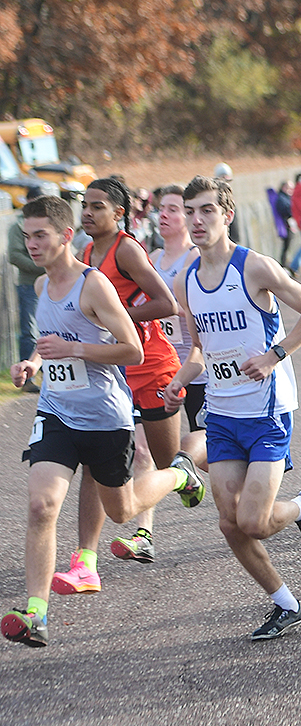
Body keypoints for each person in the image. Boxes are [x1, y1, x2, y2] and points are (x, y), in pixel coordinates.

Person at [4, 196, 205, 647]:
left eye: (40, 235)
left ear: (65, 236)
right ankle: (35, 612)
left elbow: (132, 349)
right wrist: (33, 363)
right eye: (27, 236)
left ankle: (179, 474)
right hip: (57, 412)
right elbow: (51, 339)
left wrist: (75, 350)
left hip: (105, 417)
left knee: (123, 510)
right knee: (41, 505)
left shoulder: (93, 285)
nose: (32, 244)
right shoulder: (41, 285)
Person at [161, 175, 301, 640]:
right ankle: (285, 603)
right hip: (221, 414)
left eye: (207, 211)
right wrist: (180, 380)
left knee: (253, 521)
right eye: (189, 211)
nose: (197, 220)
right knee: (230, 523)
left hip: (267, 412)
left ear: (227, 215)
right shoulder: (185, 280)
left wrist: (275, 355)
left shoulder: (254, 268)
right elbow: (199, 350)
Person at [58, 178, 187, 585]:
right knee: (99, 459)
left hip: (152, 365)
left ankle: (185, 476)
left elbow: (167, 303)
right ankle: (87, 560)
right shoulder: (85, 253)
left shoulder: (126, 249)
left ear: (118, 213)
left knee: (166, 461)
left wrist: (118, 318)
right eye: (85, 205)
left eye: (97, 206)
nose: (87, 212)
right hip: (113, 370)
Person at [151, 184, 207, 475]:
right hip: (159, 368)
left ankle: (244, 481)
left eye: (172, 210)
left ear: (187, 217)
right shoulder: (152, 259)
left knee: (205, 446)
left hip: (194, 369)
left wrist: (166, 307)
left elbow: (201, 309)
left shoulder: (194, 258)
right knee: (149, 450)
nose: (163, 215)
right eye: (161, 208)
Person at [9, 186, 45, 392]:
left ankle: (46, 373)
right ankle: (26, 378)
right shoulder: (18, 226)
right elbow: (14, 255)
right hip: (29, 284)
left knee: (49, 329)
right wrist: (41, 266)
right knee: (30, 331)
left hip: (51, 283)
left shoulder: (49, 224)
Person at [269, 181, 294, 266]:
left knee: (288, 246)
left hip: (288, 224)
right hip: (285, 225)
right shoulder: (282, 198)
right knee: (286, 246)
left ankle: (286, 263)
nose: (291, 190)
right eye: (288, 188)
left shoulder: (286, 197)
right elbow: (285, 210)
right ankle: (284, 264)